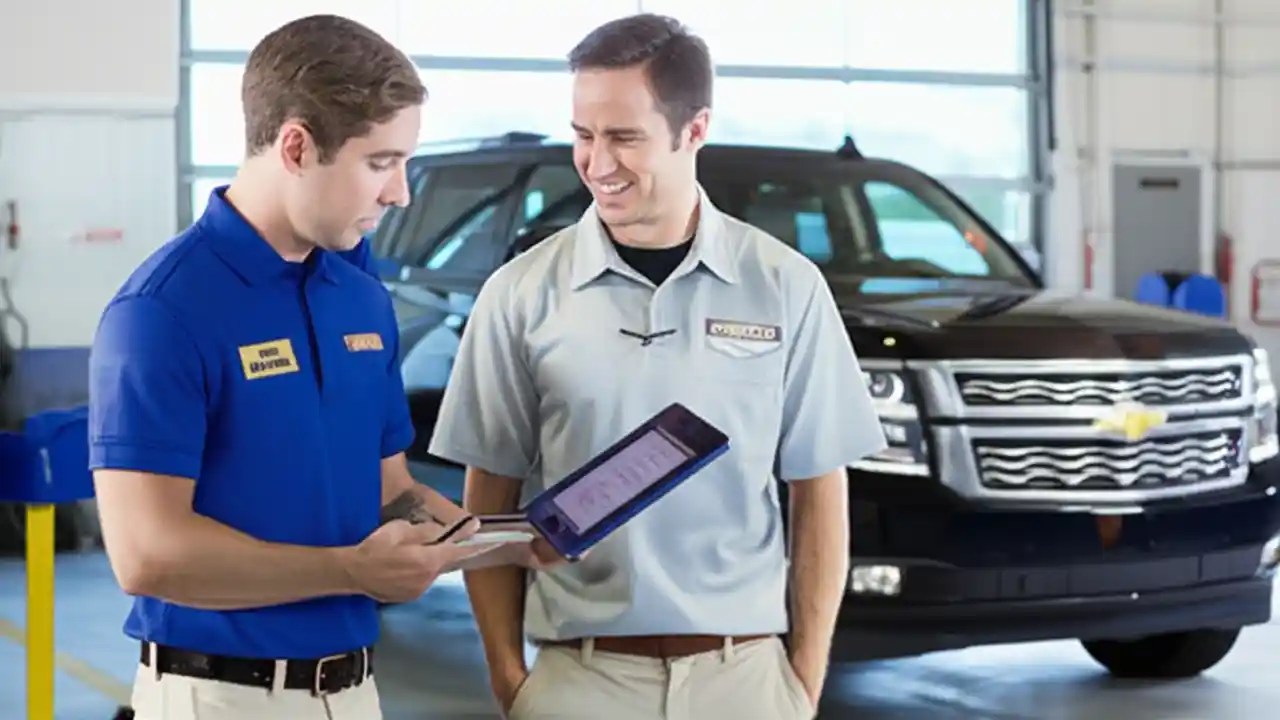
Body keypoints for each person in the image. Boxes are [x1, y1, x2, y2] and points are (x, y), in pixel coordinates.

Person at [428, 12, 888, 720]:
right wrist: (509, 677)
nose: (597, 163)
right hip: (579, 681)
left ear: (694, 130)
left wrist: (802, 680)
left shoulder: (785, 286)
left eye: (624, 138)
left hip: (746, 678)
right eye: (584, 135)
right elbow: (488, 491)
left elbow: (819, 489)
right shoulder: (520, 294)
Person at [88, 15, 495, 719]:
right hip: (215, 698)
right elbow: (147, 555)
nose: (400, 193)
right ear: (297, 147)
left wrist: (503, 541)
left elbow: (388, 487)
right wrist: (347, 571)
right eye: (380, 163)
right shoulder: (162, 311)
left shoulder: (362, 300)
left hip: (355, 693)